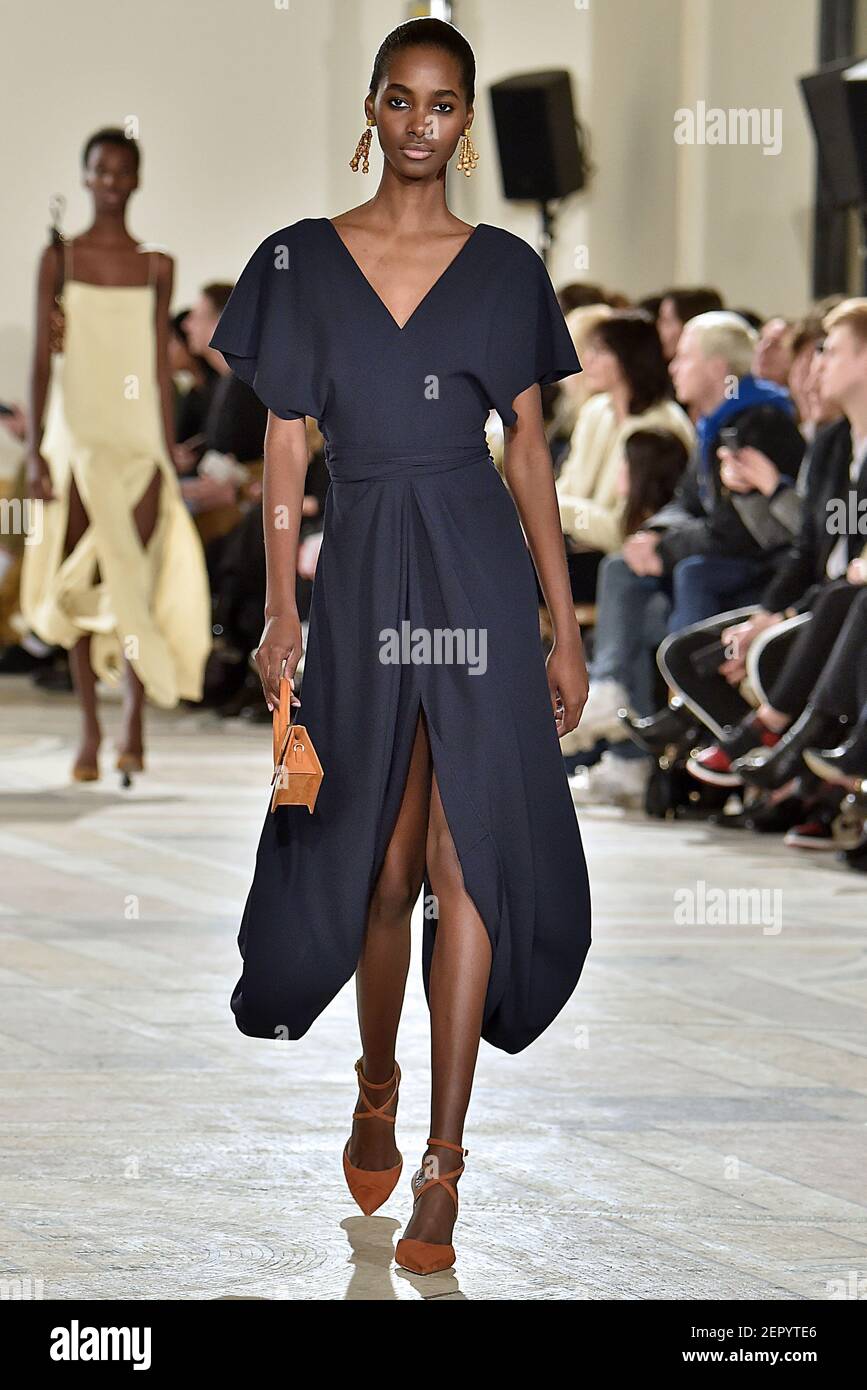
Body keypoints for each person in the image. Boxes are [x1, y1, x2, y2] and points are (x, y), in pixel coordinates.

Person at [208, 17, 592, 1278]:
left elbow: (527, 448)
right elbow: (281, 447)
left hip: (476, 568)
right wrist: (279, 605)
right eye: (402, 100)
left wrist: (564, 622)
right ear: (369, 110)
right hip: (365, 560)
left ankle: (444, 1161)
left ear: (466, 125)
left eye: (445, 106)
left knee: (466, 850)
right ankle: (375, 1076)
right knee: (378, 863)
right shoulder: (299, 262)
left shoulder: (507, 268)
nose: (422, 123)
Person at [20, 128, 212, 782]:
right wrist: (41, 457)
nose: (109, 182)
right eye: (99, 171)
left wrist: (163, 448)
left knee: (133, 578)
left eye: (121, 172)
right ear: (83, 176)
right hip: (75, 432)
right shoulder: (61, 259)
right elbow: (41, 363)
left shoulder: (158, 265)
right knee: (77, 583)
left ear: (135, 180)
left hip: (136, 440)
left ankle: (131, 723)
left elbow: (159, 368)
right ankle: (90, 728)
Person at [554, 310, 694, 600]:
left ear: (629, 357)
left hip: (620, 559)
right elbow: (567, 487)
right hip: (575, 546)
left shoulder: (662, 425)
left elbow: (625, 529)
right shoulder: (595, 411)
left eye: (601, 351)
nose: (587, 361)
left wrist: (553, 508)